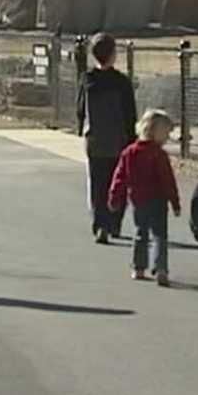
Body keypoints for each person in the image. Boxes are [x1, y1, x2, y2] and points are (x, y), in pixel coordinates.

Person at [108, 109, 182, 287]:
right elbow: (168, 180)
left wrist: (115, 197)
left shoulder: (129, 152)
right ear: (154, 132)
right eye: (165, 134)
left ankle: (139, 267)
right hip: (158, 200)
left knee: (140, 233)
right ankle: (161, 269)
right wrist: (175, 202)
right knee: (159, 236)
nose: (166, 138)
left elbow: (120, 177)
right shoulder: (159, 155)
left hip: (138, 199)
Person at [76, 33, 137, 244]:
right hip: (119, 140)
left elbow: (80, 109)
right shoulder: (121, 83)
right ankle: (114, 223)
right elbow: (130, 114)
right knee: (118, 183)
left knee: (98, 184)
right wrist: (132, 138)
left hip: (95, 140)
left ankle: (99, 223)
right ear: (112, 55)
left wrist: (80, 130)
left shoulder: (87, 80)